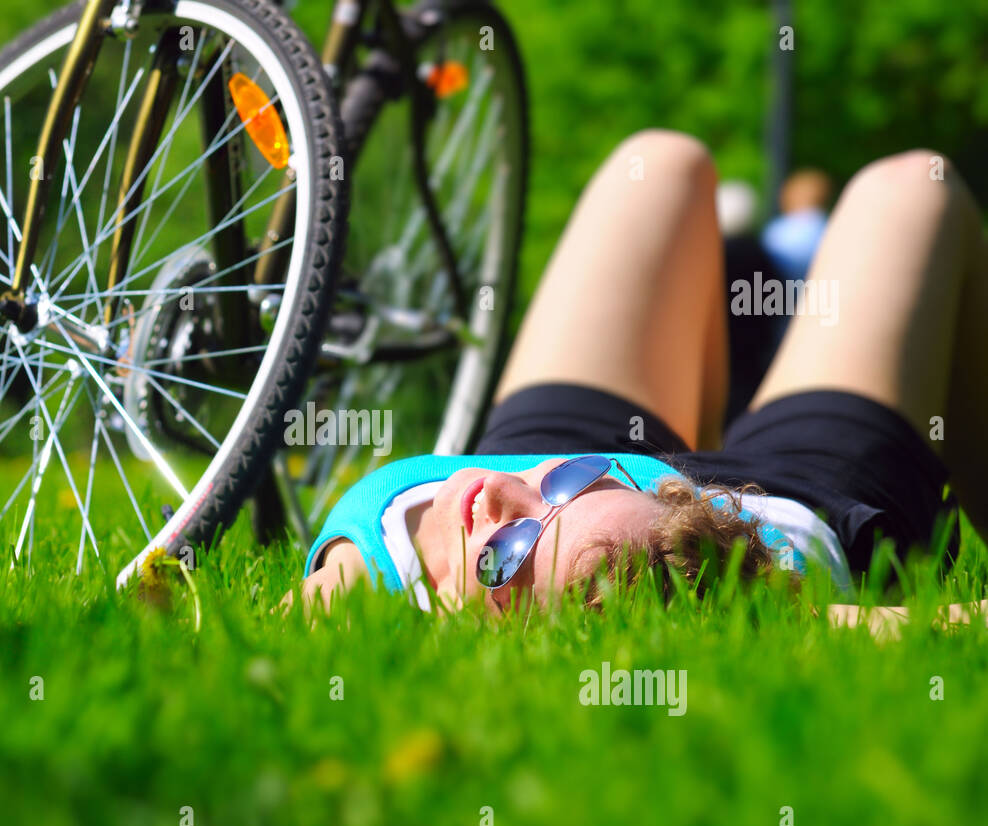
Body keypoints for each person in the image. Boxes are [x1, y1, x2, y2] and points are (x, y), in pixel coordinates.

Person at [295, 129, 988, 631]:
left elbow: (243, 621)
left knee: (659, 164)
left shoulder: (369, 591)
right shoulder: (773, 614)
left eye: (508, 554)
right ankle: (662, 467)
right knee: (914, 184)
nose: (501, 492)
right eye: (512, 555)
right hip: (808, 487)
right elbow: (945, 623)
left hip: (621, 485)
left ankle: (660, 457)